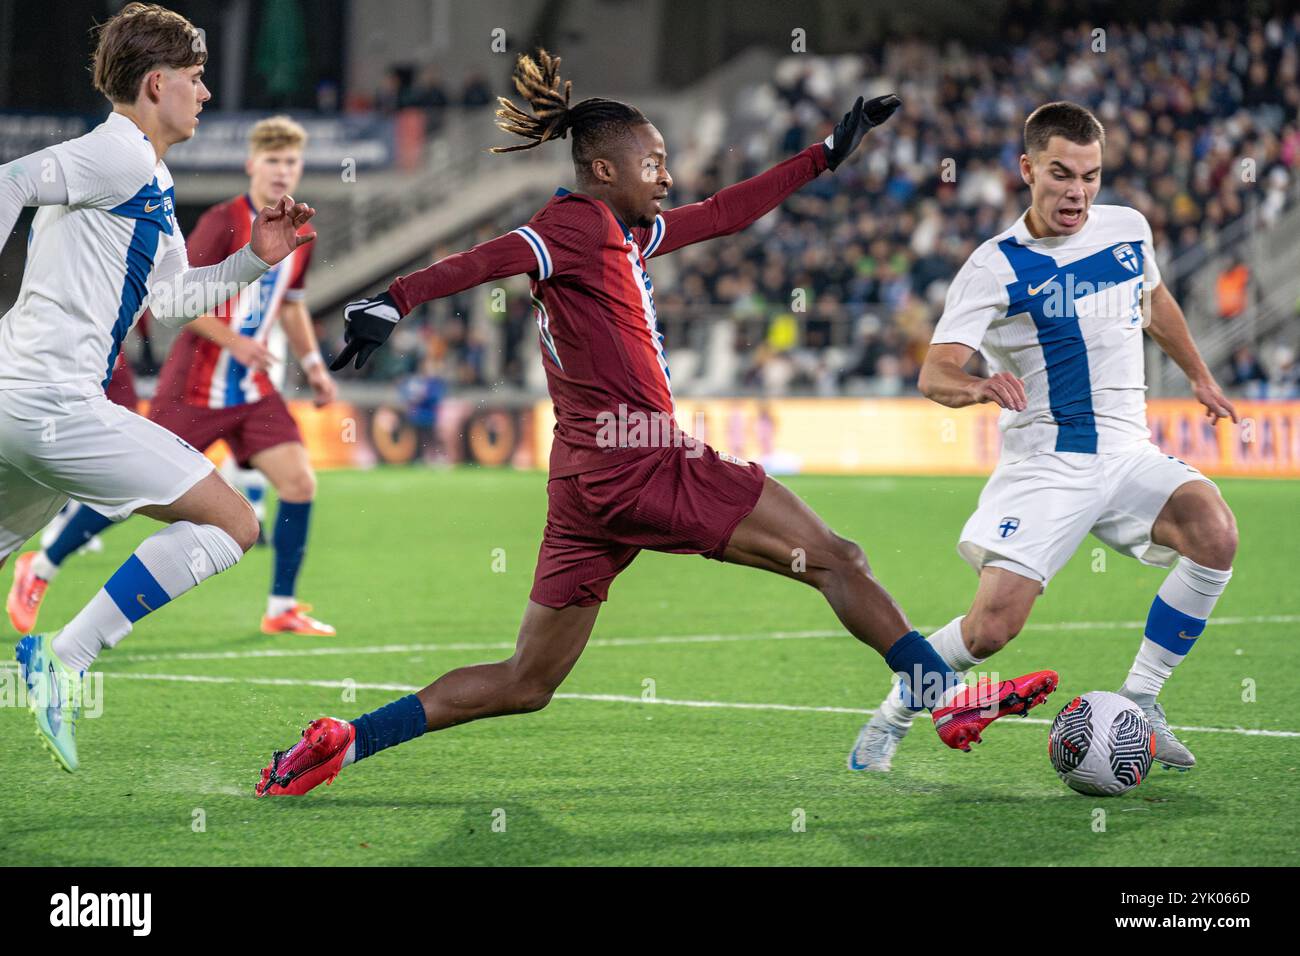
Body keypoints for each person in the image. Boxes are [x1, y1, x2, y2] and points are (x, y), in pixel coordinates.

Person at [254, 50, 1058, 797]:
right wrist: (392, 299)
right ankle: (946, 699)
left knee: (526, 682)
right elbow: (487, 257)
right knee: (839, 560)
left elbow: (723, 213)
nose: (668, 176)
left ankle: (344, 741)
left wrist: (824, 154)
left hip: (585, 483)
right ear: (604, 169)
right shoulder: (570, 226)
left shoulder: (625, 231)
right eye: (654, 163)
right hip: (641, 460)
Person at [850, 102, 1239, 772]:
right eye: (1061, 174)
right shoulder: (994, 266)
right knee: (990, 629)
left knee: (1215, 533)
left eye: (1090, 175)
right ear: (1027, 169)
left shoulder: (1126, 229)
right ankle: (891, 716)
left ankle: (1142, 698)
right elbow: (934, 371)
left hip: (1126, 450)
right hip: (1050, 463)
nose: (1077, 191)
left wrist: (1200, 376)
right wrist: (976, 386)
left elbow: (1158, 303)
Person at [0, 2, 315, 772]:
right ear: (156, 83)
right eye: (198, 79)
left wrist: (254, 259)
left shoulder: (149, 175)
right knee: (233, 522)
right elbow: (9, 179)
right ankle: (65, 659)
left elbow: (171, 299)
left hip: (19, 403)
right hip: (52, 404)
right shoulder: (120, 157)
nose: (206, 95)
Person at [10, 115, 338, 638]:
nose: (282, 171)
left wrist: (315, 366)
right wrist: (237, 342)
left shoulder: (291, 226)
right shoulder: (216, 216)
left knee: (299, 483)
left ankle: (280, 605)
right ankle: (46, 575)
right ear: (252, 164)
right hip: (194, 388)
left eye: (292, 162)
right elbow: (178, 301)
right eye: (273, 160)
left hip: (252, 391)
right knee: (134, 495)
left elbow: (281, 304)